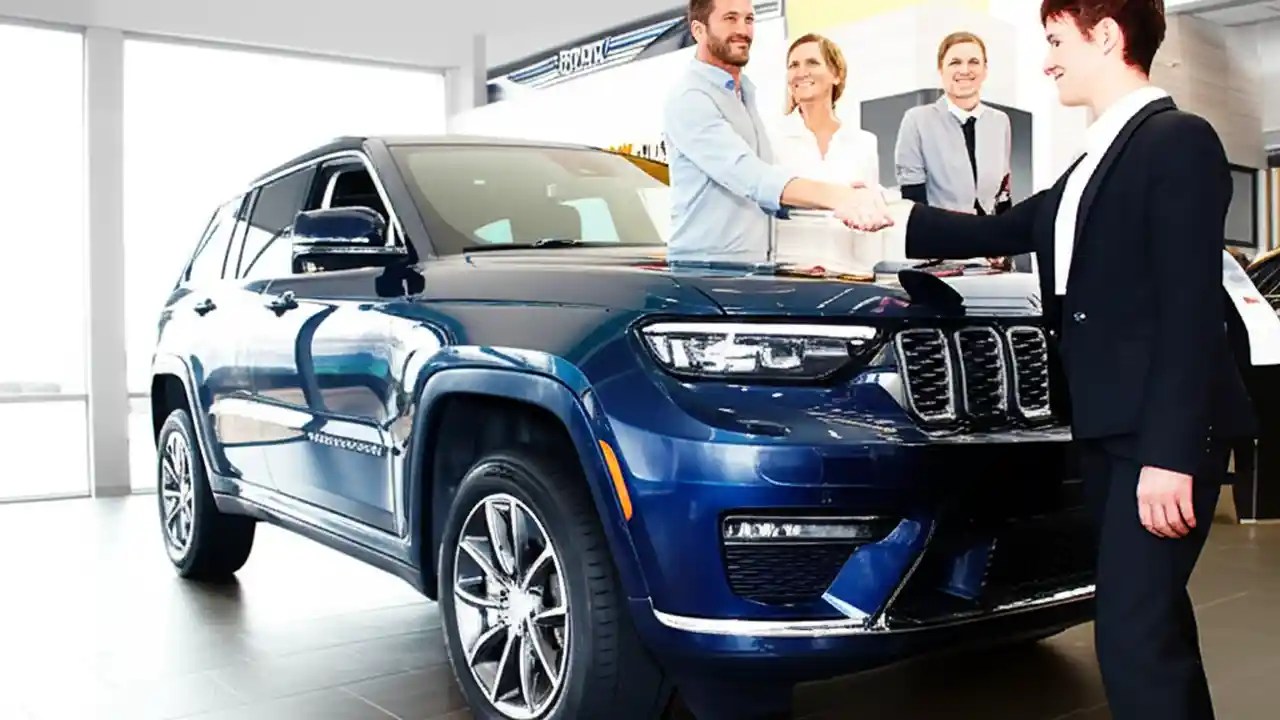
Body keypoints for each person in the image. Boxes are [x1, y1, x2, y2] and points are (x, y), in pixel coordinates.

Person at [849, 2, 1255, 718]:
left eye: (1057, 40)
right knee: (1151, 622)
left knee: (1132, 637)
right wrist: (883, 210)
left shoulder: (1178, 141)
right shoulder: (1096, 158)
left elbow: (1192, 313)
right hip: (1109, 431)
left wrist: (1170, 455)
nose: (1047, 59)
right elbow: (1007, 226)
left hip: (1156, 440)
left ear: (1106, 35)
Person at [661, 0, 890, 265]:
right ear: (699, 30)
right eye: (730, 19)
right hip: (707, 270)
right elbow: (749, 175)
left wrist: (868, 198)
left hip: (756, 269)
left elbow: (770, 200)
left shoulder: (744, 93)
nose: (743, 30)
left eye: (749, 19)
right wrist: (841, 197)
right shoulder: (690, 98)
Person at [770, 33, 887, 272]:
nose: (801, 72)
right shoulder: (770, 138)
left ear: (836, 74)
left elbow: (870, 217)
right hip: (790, 274)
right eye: (793, 65)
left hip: (850, 275)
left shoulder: (863, 143)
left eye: (812, 62)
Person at [894, 31, 1014, 217]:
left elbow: (1003, 194)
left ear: (985, 70)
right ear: (941, 70)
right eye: (955, 62)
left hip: (991, 237)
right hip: (940, 238)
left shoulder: (1000, 121)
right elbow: (913, 198)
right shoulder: (917, 121)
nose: (965, 70)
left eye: (973, 62)